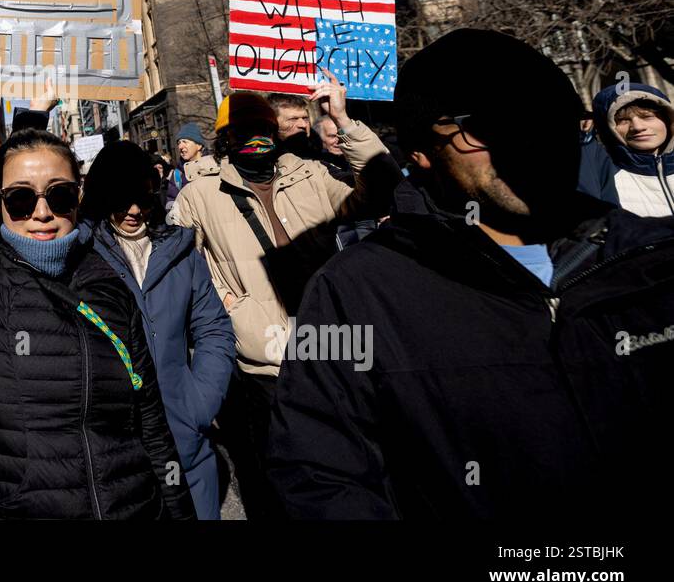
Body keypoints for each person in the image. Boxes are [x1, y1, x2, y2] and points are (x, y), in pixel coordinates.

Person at [267, 29, 674, 518]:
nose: (523, 137)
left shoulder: (656, 256)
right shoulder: (358, 291)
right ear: (420, 152)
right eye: (479, 127)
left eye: (543, 111)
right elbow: (323, 475)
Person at [0, 0, 194, 520]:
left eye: (60, 195)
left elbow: (150, 423)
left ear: (80, 196)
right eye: (21, 198)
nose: (41, 211)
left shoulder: (107, 283)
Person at [169, 78, 399, 521]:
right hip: (262, 362)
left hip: (331, 347)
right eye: (240, 133)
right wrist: (232, 309)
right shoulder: (200, 194)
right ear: (224, 140)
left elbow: (381, 187)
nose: (254, 140)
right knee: (282, 480)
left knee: (352, 466)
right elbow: (185, 272)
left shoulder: (308, 174)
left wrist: (342, 120)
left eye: (261, 128)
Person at [79, 141, 233, 519]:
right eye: (122, 200)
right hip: (114, 452)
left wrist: (198, 403)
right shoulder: (82, 258)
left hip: (184, 442)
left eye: (144, 199)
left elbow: (213, 328)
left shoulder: (182, 254)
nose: (134, 211)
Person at [579, 82, 674, 216]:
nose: (637, 127)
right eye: (622, 120)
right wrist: (583, 139)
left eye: (647, 116)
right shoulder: (602, 174)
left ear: (668, 119)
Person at [167, 123, 208, 203]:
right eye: (179, 143)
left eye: (185, 142)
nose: (180, 147)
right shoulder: (177, 175)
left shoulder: (215, 166)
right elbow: (171, 202)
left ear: (199, 145)